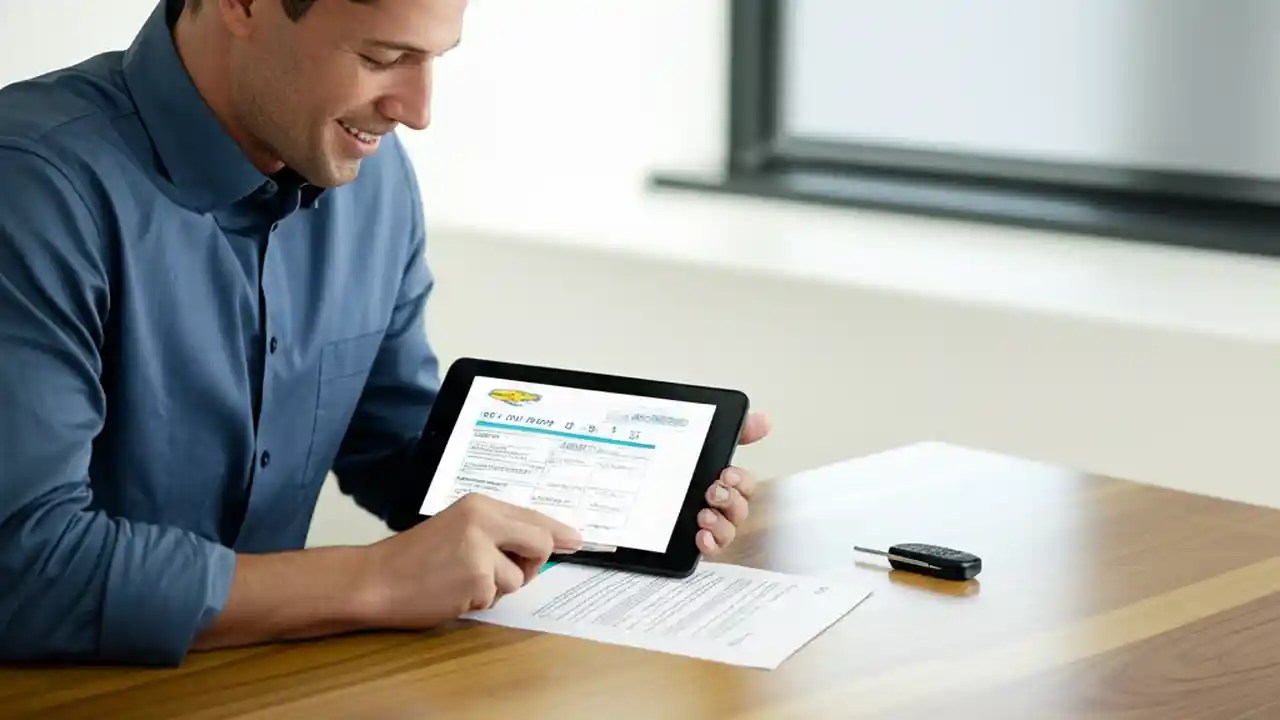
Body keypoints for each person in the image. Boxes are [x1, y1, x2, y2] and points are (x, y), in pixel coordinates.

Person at [0, 0, 770, 666]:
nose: (417, 108)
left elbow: (396, 448)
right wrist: (377, 581)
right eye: (382, 57)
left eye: (434, 59)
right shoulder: (32, 189)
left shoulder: (372, 178)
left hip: (263, 685)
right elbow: (23, 569)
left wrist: (617, 489)